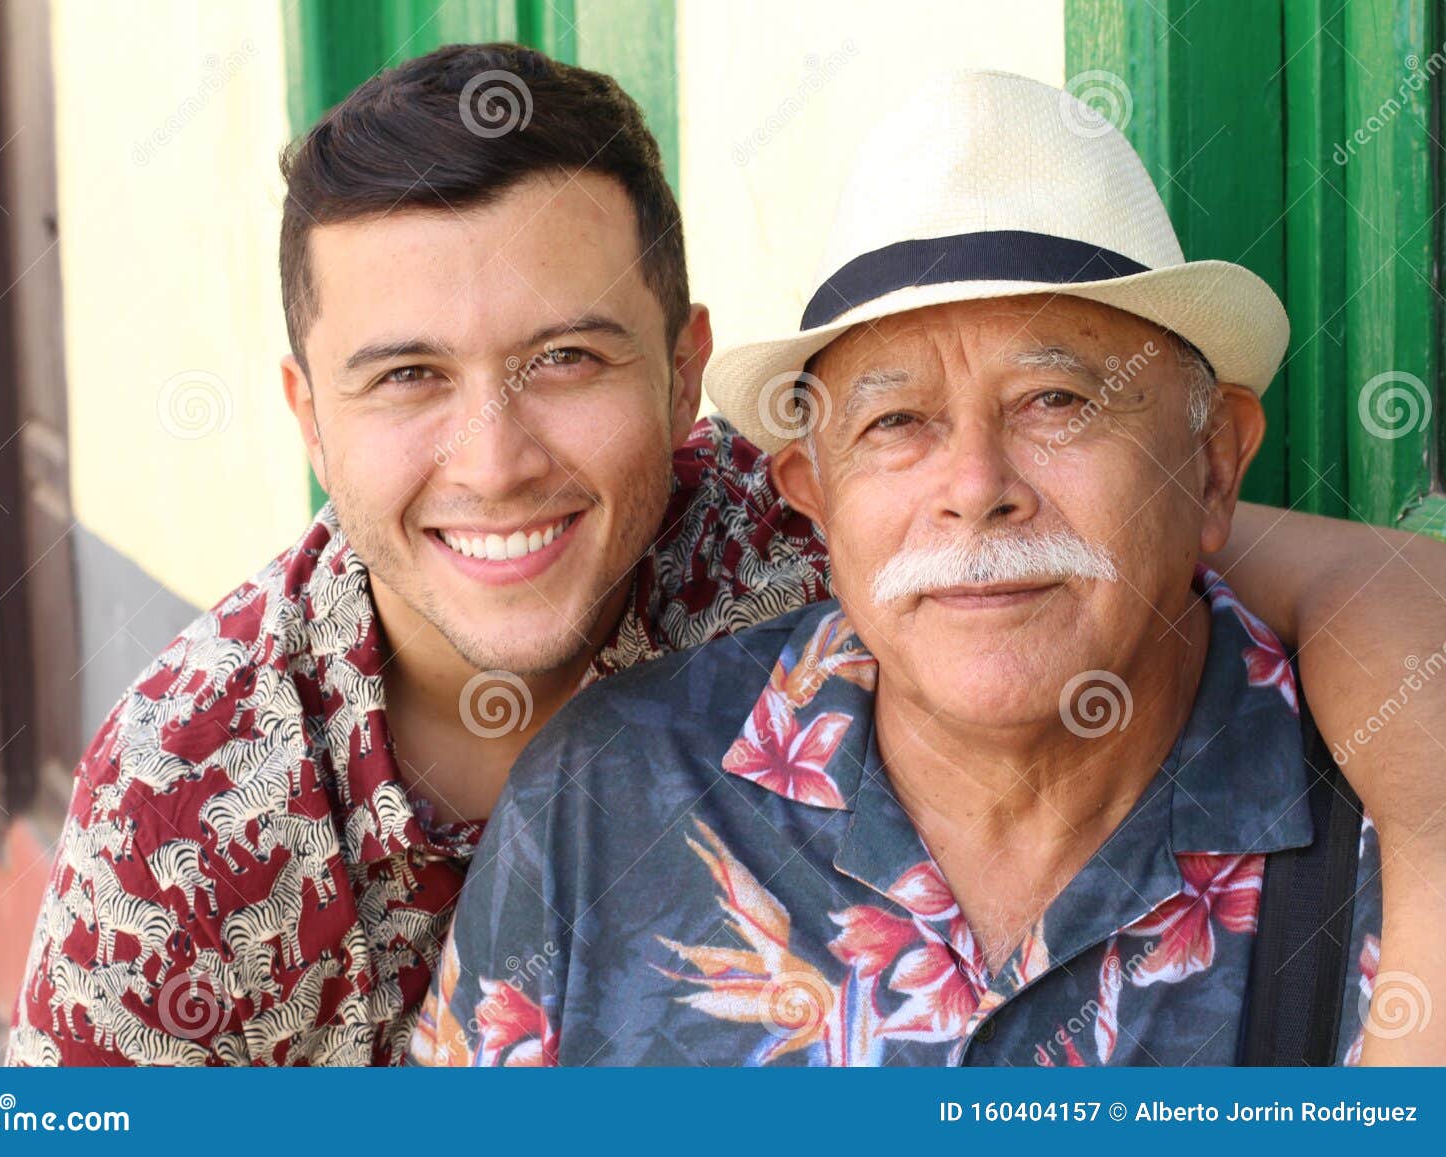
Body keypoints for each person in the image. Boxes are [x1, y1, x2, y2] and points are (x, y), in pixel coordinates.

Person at [10, 49, 1446, 1067]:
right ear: (307, 416)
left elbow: (1142, 549)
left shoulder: (798, 518)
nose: (495, 460)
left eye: (566, 358)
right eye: (406, 378)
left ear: (686, 373)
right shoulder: (187, 805)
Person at [411, 71, 1423, 1067]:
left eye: (1058, 401)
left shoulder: (1393, 797)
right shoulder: (604, 803)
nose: (975, 487)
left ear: (1211, 464)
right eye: (896, 422)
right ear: (813, 496)